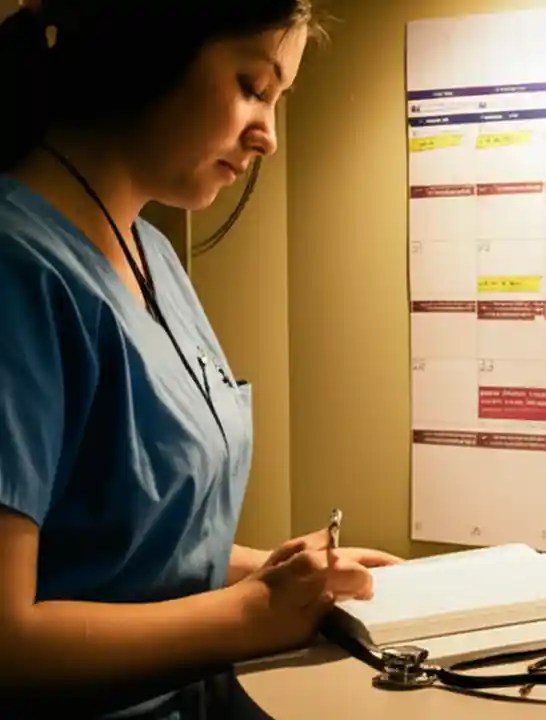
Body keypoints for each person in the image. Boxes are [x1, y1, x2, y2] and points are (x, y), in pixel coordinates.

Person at [0, 1, 402, 716]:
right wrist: (252, 616)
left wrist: (279, 572)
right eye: (254, 87)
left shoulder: (152, 253)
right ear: (148, 48)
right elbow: (8, 642)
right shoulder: (17, 269)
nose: (269, 138)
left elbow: (124, 549)